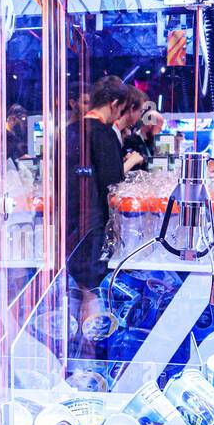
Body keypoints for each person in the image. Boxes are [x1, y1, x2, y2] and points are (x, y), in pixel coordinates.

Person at [64, 75, 141, 304]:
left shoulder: (70, 130)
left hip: (70, 222)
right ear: (114, 103)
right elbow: (113, 183)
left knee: (76, 291)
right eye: (122, 108)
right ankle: (90, 337)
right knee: (92, 294)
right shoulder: (103, 133)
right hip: (95, 225)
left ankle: (78, 334)